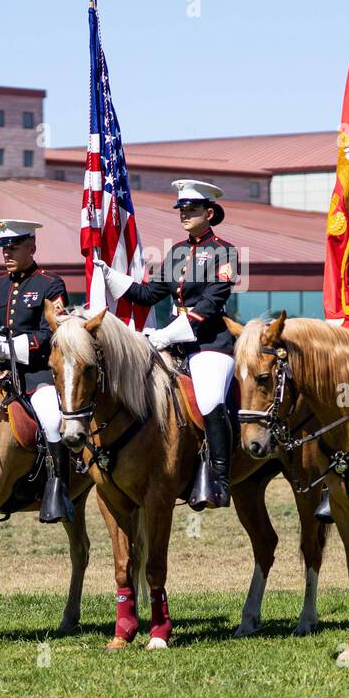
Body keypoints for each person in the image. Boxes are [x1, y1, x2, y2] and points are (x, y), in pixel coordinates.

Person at [94, 180, 238, 511]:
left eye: (192, 209)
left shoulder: (225, 252)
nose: (184, 214)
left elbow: (211, 306)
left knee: (210, 398)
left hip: (209, 345)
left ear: (210, 212)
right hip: (173, 345)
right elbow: (148, 295)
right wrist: (110, 277)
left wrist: (169, 334)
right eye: (182, 210)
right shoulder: (176, 252)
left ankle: (219, 476)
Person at [0, 219, 73, 524]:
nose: (7, 253)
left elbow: (50, 334)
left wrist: (8, 348)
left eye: (13, 247)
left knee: (53, 422)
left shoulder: (50, 284)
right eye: (4, 247)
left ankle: (58, 490)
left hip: (36, 374)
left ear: (32, 247)